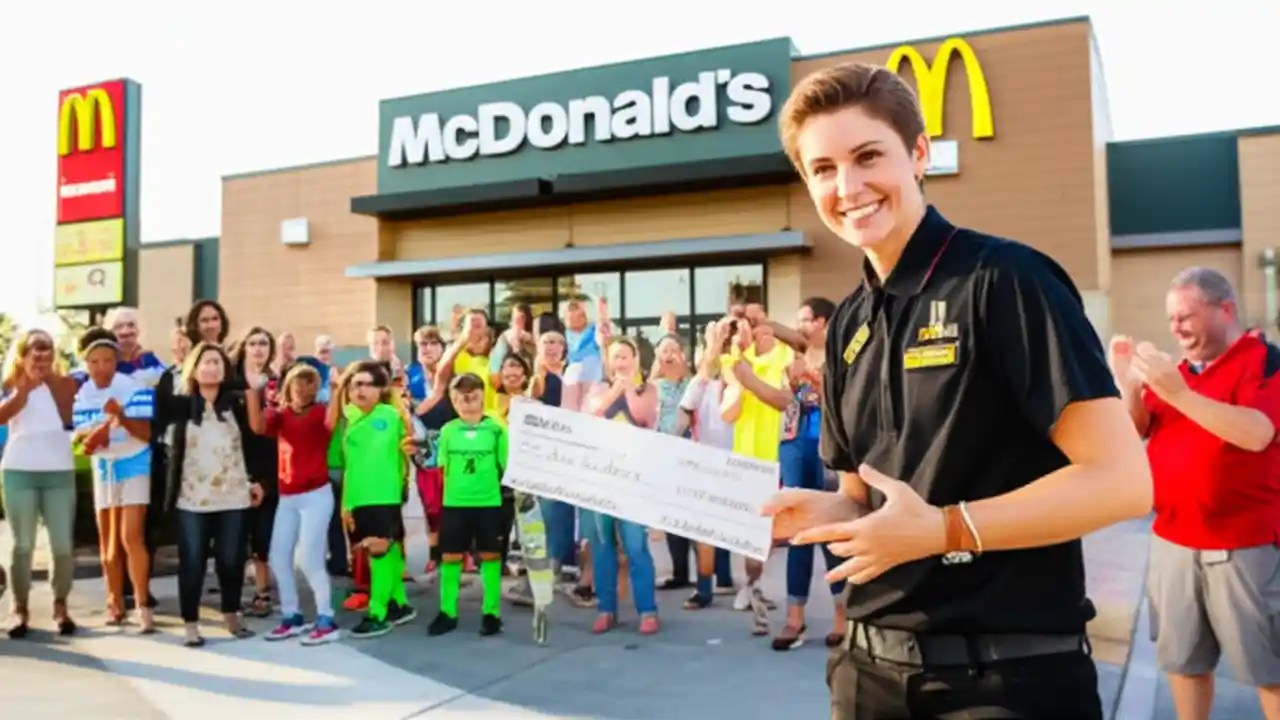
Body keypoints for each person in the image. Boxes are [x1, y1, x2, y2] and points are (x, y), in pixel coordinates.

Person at [763, 61, 1151, 718]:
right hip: (866, 676)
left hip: (1004, 683)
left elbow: (1121, 483)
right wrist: (815, 513)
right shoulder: (849, 322)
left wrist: (946, 530)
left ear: (919, 154)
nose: (847, 187)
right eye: (823, 168)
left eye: (867, 156)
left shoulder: (1005, 280)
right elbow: (863, 500)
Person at [1112, 268, 1280, 720]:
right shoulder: (1179, 373)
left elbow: (1257, 434)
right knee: (1183, 663)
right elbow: (1137, 431)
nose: (1176, 329)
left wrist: (1180, 394)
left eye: (1186, 316)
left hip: (1244, 545)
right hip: (1173, 543)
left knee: (1269, 668)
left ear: (1225, 309)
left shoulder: (1263, 361)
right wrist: (1129, 387)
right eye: (1171, 319)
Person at [156, 342, 264, 647]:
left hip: (233, 496)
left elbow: (254, 443)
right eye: (206, 362)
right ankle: (191, 624)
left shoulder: (236, 404)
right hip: (192, 498)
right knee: (193, 563)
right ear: (194, 368)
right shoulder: (179, 406)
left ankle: (231, 614)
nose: (212, 368)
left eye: (217, 362)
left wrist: (256, 480)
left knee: (231, 560)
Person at [71, 327, 156, 633]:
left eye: (107, 360)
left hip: (134, 463)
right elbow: (81, 442)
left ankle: (143, 605)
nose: (101, 367)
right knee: (107, 542)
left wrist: (122, 417)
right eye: (94, 362)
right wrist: (95, 436)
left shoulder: (133, 388)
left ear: (116, 361)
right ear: (86, 364)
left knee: (131, 536)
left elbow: (146, 433)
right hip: (104, 467)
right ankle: (114, 602)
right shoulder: (83, 394)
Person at [251, 362, 340, 645]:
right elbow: (258, 426)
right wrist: (253, 391)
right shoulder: (280, 415)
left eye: (309, 383)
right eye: (298, 383)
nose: (303, 388)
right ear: (289, 386)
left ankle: (326, 618)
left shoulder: (320, 413)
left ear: (316, 389)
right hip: (288, 497)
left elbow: (332, 423)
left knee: (310, 559)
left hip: (316, 494)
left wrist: (337, 388)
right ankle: (292, 616)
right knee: (278, 556)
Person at [329, 361, 417, 639]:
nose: (362, 390)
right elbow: (348, 465)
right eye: (356, 384)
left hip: (384, 495)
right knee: (383, 552)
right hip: (357, 497)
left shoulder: (391, 416)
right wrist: (346, 504)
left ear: (381, 389)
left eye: (368, 384)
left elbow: (412, 444)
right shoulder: (348, 419)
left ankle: (377, 613)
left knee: (379, 550)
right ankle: (398, 603)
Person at [0, 329, 79, 638]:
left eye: (47, 354)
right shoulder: (9, 384)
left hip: (59, 471)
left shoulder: (65, 383)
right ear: (22, 356)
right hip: (19, 470)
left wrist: (52, 385)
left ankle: (61, 605)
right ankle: (19, 607)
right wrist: (23, 392)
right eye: (36, 354)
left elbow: (71, 419)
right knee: (23, 545)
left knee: (62, 545)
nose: (42, 361)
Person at [582, 337, 660, 635]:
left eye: (626, 356)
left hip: (633, 482)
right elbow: (593, 414)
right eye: (615, 356)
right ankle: (606, 608)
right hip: (600, 481)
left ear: (636, 359)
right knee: (602, 546)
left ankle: (647, 610)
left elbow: (642, 415)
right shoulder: (597, 389)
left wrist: (627, 387)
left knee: (635, 545)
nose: (621, 362)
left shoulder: (648, 391)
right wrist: (615, 388)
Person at [428, 372, 509, 637]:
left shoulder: (496, 429)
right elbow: (440, 466)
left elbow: (506, 465)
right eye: (460, 397)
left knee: (490, 556)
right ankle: (447, 612)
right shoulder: (448, 430)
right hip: (455, 503)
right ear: (453, 400)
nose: (467, 401)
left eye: (473, 396)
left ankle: (491, 613)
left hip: (488, 502)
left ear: (482, 397)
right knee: (451, 556)